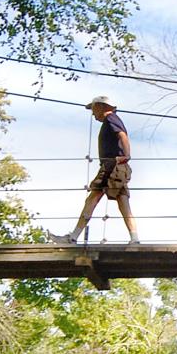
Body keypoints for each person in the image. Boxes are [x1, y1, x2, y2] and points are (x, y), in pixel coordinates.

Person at [56, 95, 139, 245]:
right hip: (115, 166)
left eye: (93, 109)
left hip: (112, 165)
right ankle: (134, 238)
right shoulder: (110, 120)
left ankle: (73, 237)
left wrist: (126, 156)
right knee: (120, 201)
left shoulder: (111, 118)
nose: (93, 113)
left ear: (101, 107)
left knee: (95, 198)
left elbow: (123, 136)